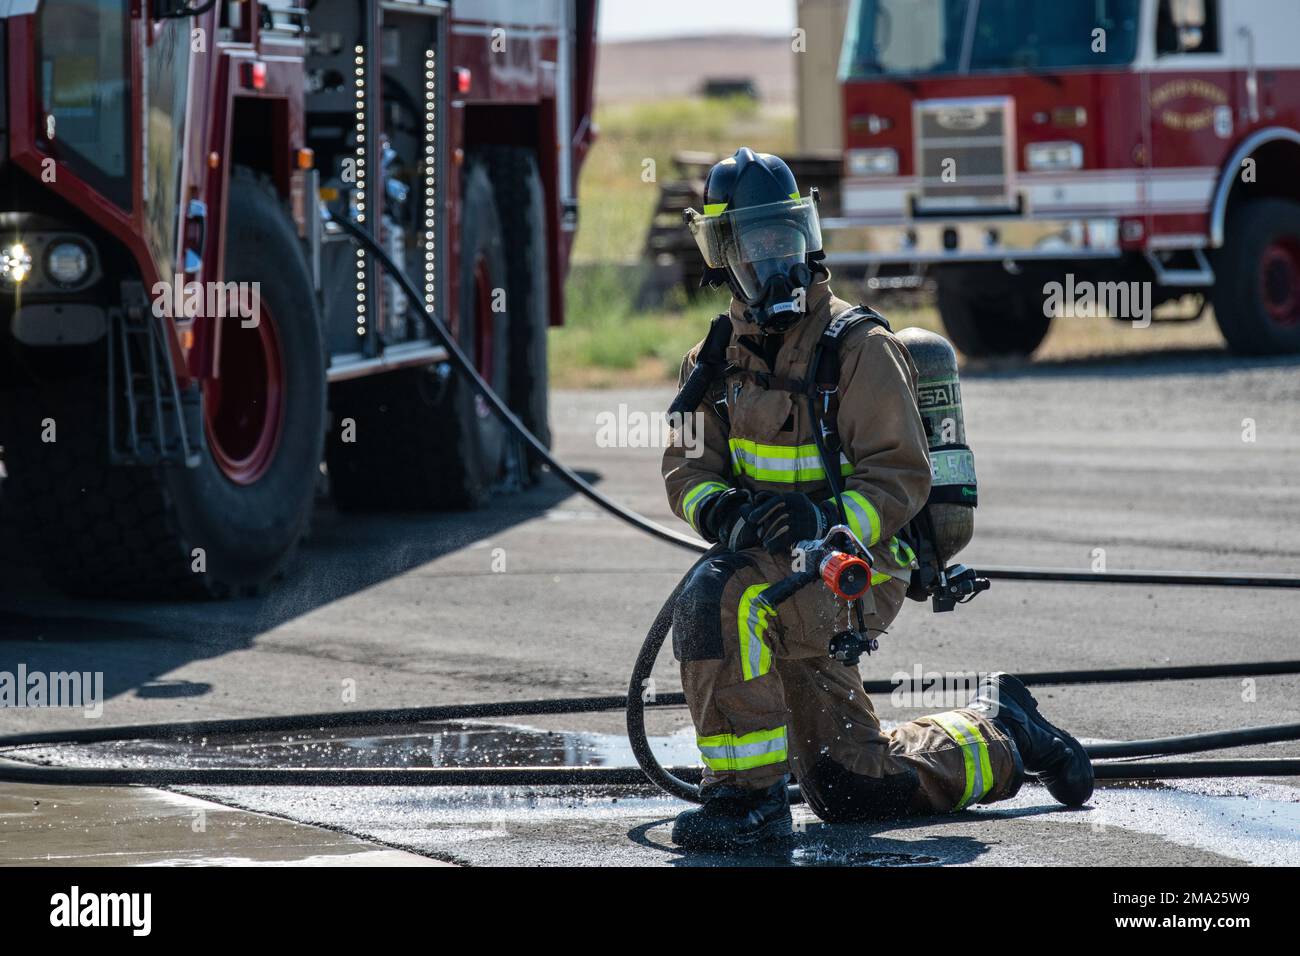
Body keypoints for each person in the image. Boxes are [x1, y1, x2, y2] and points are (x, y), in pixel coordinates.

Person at [662, 147, 1093, 851]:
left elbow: (899, 475)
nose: (775, 259)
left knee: (715, 596)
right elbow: (685, 465)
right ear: (726, 254)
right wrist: (725, 511)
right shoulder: (713, 360)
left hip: (854, 568)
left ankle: (746, 804)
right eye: (757, 243)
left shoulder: (857, 348)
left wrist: (826, 522)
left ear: (807, 236)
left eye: (785, 238)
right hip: (773, 565)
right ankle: (1005, 731)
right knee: (852, 785)